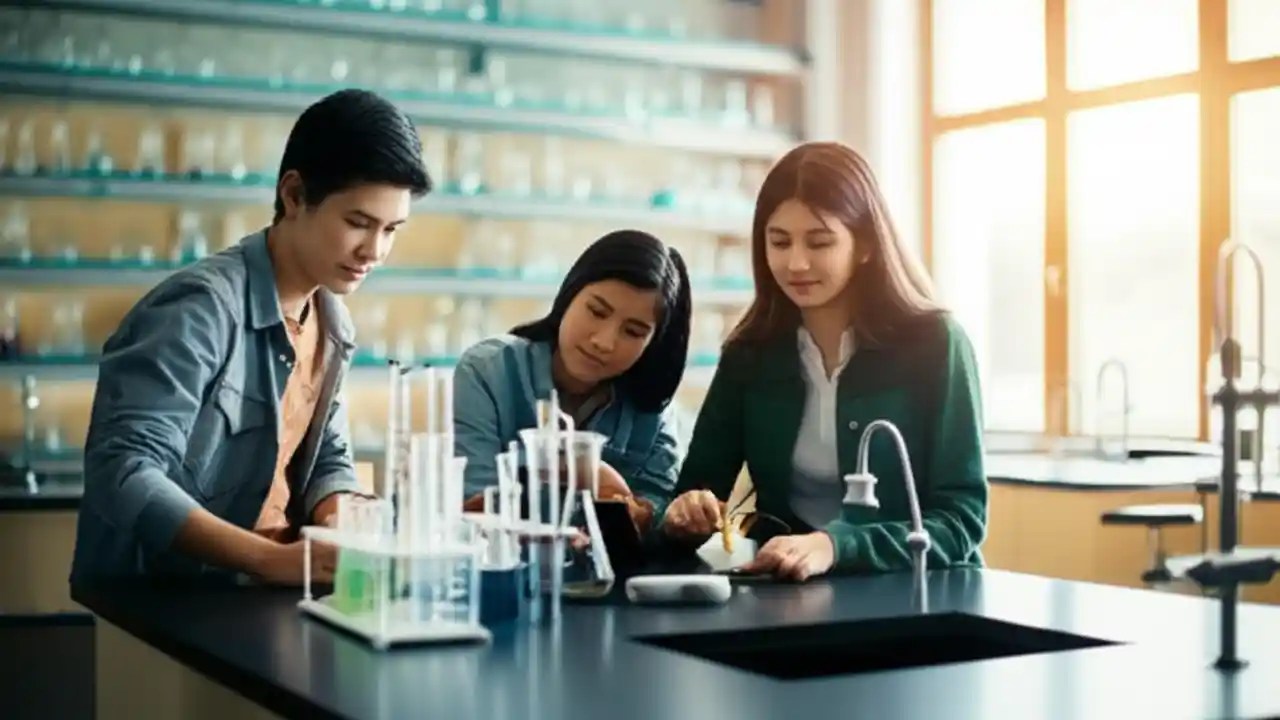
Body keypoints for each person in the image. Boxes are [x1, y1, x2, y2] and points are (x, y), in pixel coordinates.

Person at [70, 89, 432, 585]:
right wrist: (272, 561)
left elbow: (326, 456)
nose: (375, 250)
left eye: (392, 229)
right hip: (170, 601)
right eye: (358, 223)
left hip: (264, 594)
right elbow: (123, 472)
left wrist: (340, 517)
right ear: (294, 195)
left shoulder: (332, 319)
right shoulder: (200, 308)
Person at [662, 141, 987, 581]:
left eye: (820, 242)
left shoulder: (936, 344)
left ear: (867, 245)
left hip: (920, 597)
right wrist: (685, 514)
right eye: (779, 242)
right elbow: (695, 493)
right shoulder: (749, 355)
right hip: (787, 599)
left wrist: (836, 546)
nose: (796, 263)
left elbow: (960, 520)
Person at [453, 229, 692, 535]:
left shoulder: (653, 408)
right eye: (596, 311)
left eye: (633, 332)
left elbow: (658, 515)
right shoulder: (488, 371)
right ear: (569, 295)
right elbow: (472, 508)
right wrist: (586, 478)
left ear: (652, 343)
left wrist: (651, 514)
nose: (604, 342)